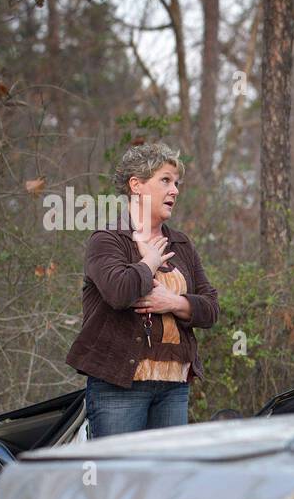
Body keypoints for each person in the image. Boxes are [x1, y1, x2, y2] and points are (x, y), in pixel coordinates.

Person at [66, 143, 219, 437]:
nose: (174, 190)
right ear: (136, 184)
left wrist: (174, 302)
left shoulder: (181, 244)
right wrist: (148, 262)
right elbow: (119, 292)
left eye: (176, 183)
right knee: (120, 479)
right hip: (119, 387)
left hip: (174, 386)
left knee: (165, 481)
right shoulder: (108, 240)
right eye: (165, 180)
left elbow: (211, 308)